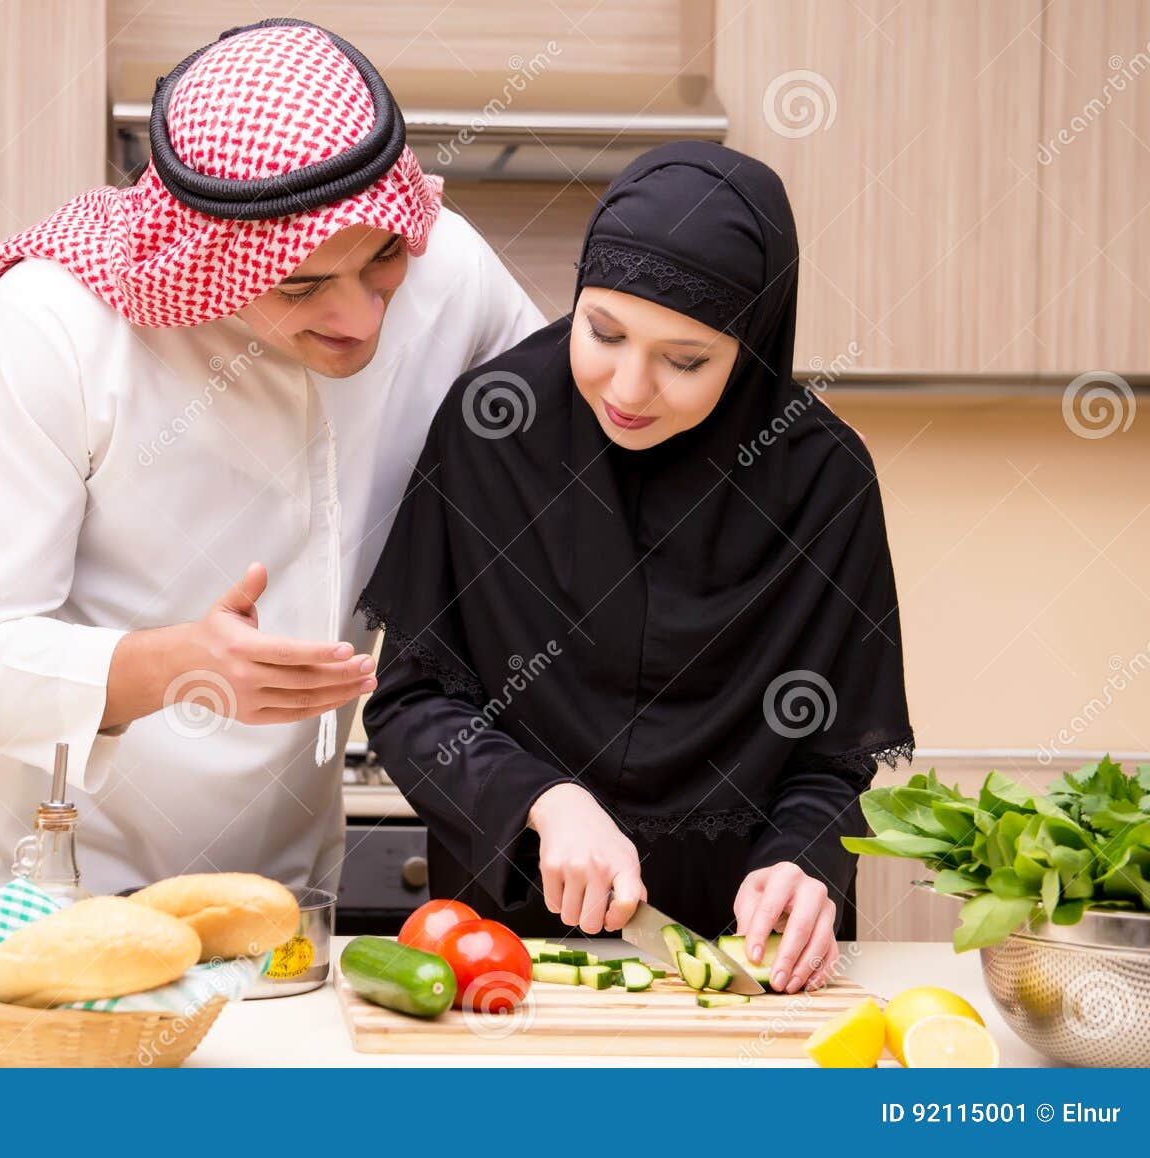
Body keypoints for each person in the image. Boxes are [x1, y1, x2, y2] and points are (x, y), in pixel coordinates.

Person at [0, 18, 543, 905]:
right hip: (58, 889)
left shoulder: (450, 278)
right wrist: (178, 665)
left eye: (382, 258)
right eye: (301, 286)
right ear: (212, 261)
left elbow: (573, 461)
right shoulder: (51, 330)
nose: (360, 318)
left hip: (282, 887)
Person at [358, 141, 912, 993]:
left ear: (755, 343)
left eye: (685, 361)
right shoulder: (490, 431)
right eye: (603, 331)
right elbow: (412, 701)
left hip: (748, 964)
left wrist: (805, 863)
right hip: (504, 956)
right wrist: (544, 799)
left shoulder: (824, 483)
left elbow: (833, 758)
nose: (627, 386)